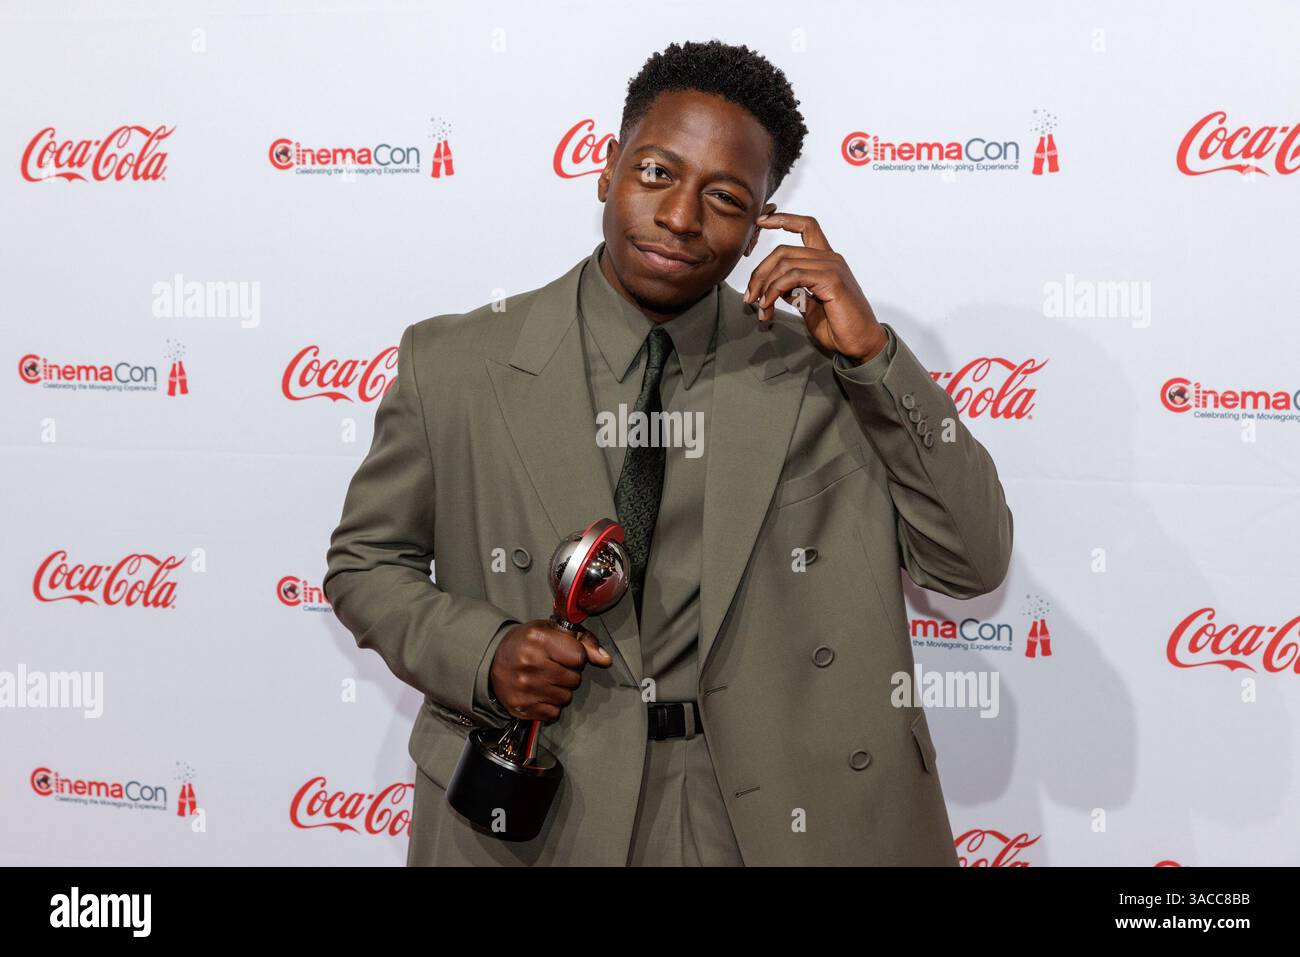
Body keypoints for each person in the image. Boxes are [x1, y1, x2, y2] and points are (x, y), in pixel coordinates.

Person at [324, 39, 1013, 866]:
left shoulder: (823, 373)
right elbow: (366, 564)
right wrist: (485, 654)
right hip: (543, 809)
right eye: (656, 173)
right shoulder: (456, 363)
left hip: (775, 815)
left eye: (724, 196)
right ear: (606, 169)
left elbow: (971, 561)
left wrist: (873, 358)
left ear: (763, 220)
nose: (682, 218)